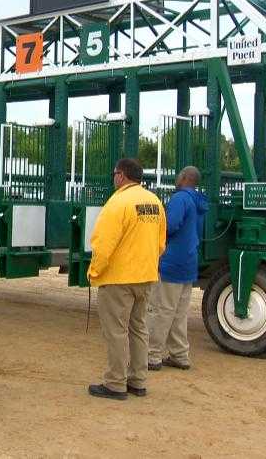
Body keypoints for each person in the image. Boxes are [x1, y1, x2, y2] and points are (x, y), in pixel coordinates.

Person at [87, 158, 166, 401]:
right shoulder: (154, 202)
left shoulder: (117, 203)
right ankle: (138, 380)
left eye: (114, 174)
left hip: (118, 279)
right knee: (139, 329)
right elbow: (161, 243)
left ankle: (115, 383)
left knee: (116, 331)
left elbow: (103, 245)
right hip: (146, 276)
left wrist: (94, 272)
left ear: (121, 175)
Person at [149, 166, 208, 372]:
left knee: (162, 310)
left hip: (172, 261)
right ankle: (180, 355)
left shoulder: (180, 199)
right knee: (179, 313)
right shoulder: (199, 201)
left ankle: (152, 355)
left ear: (183, 177)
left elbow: (170, 225)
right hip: (189, 262)